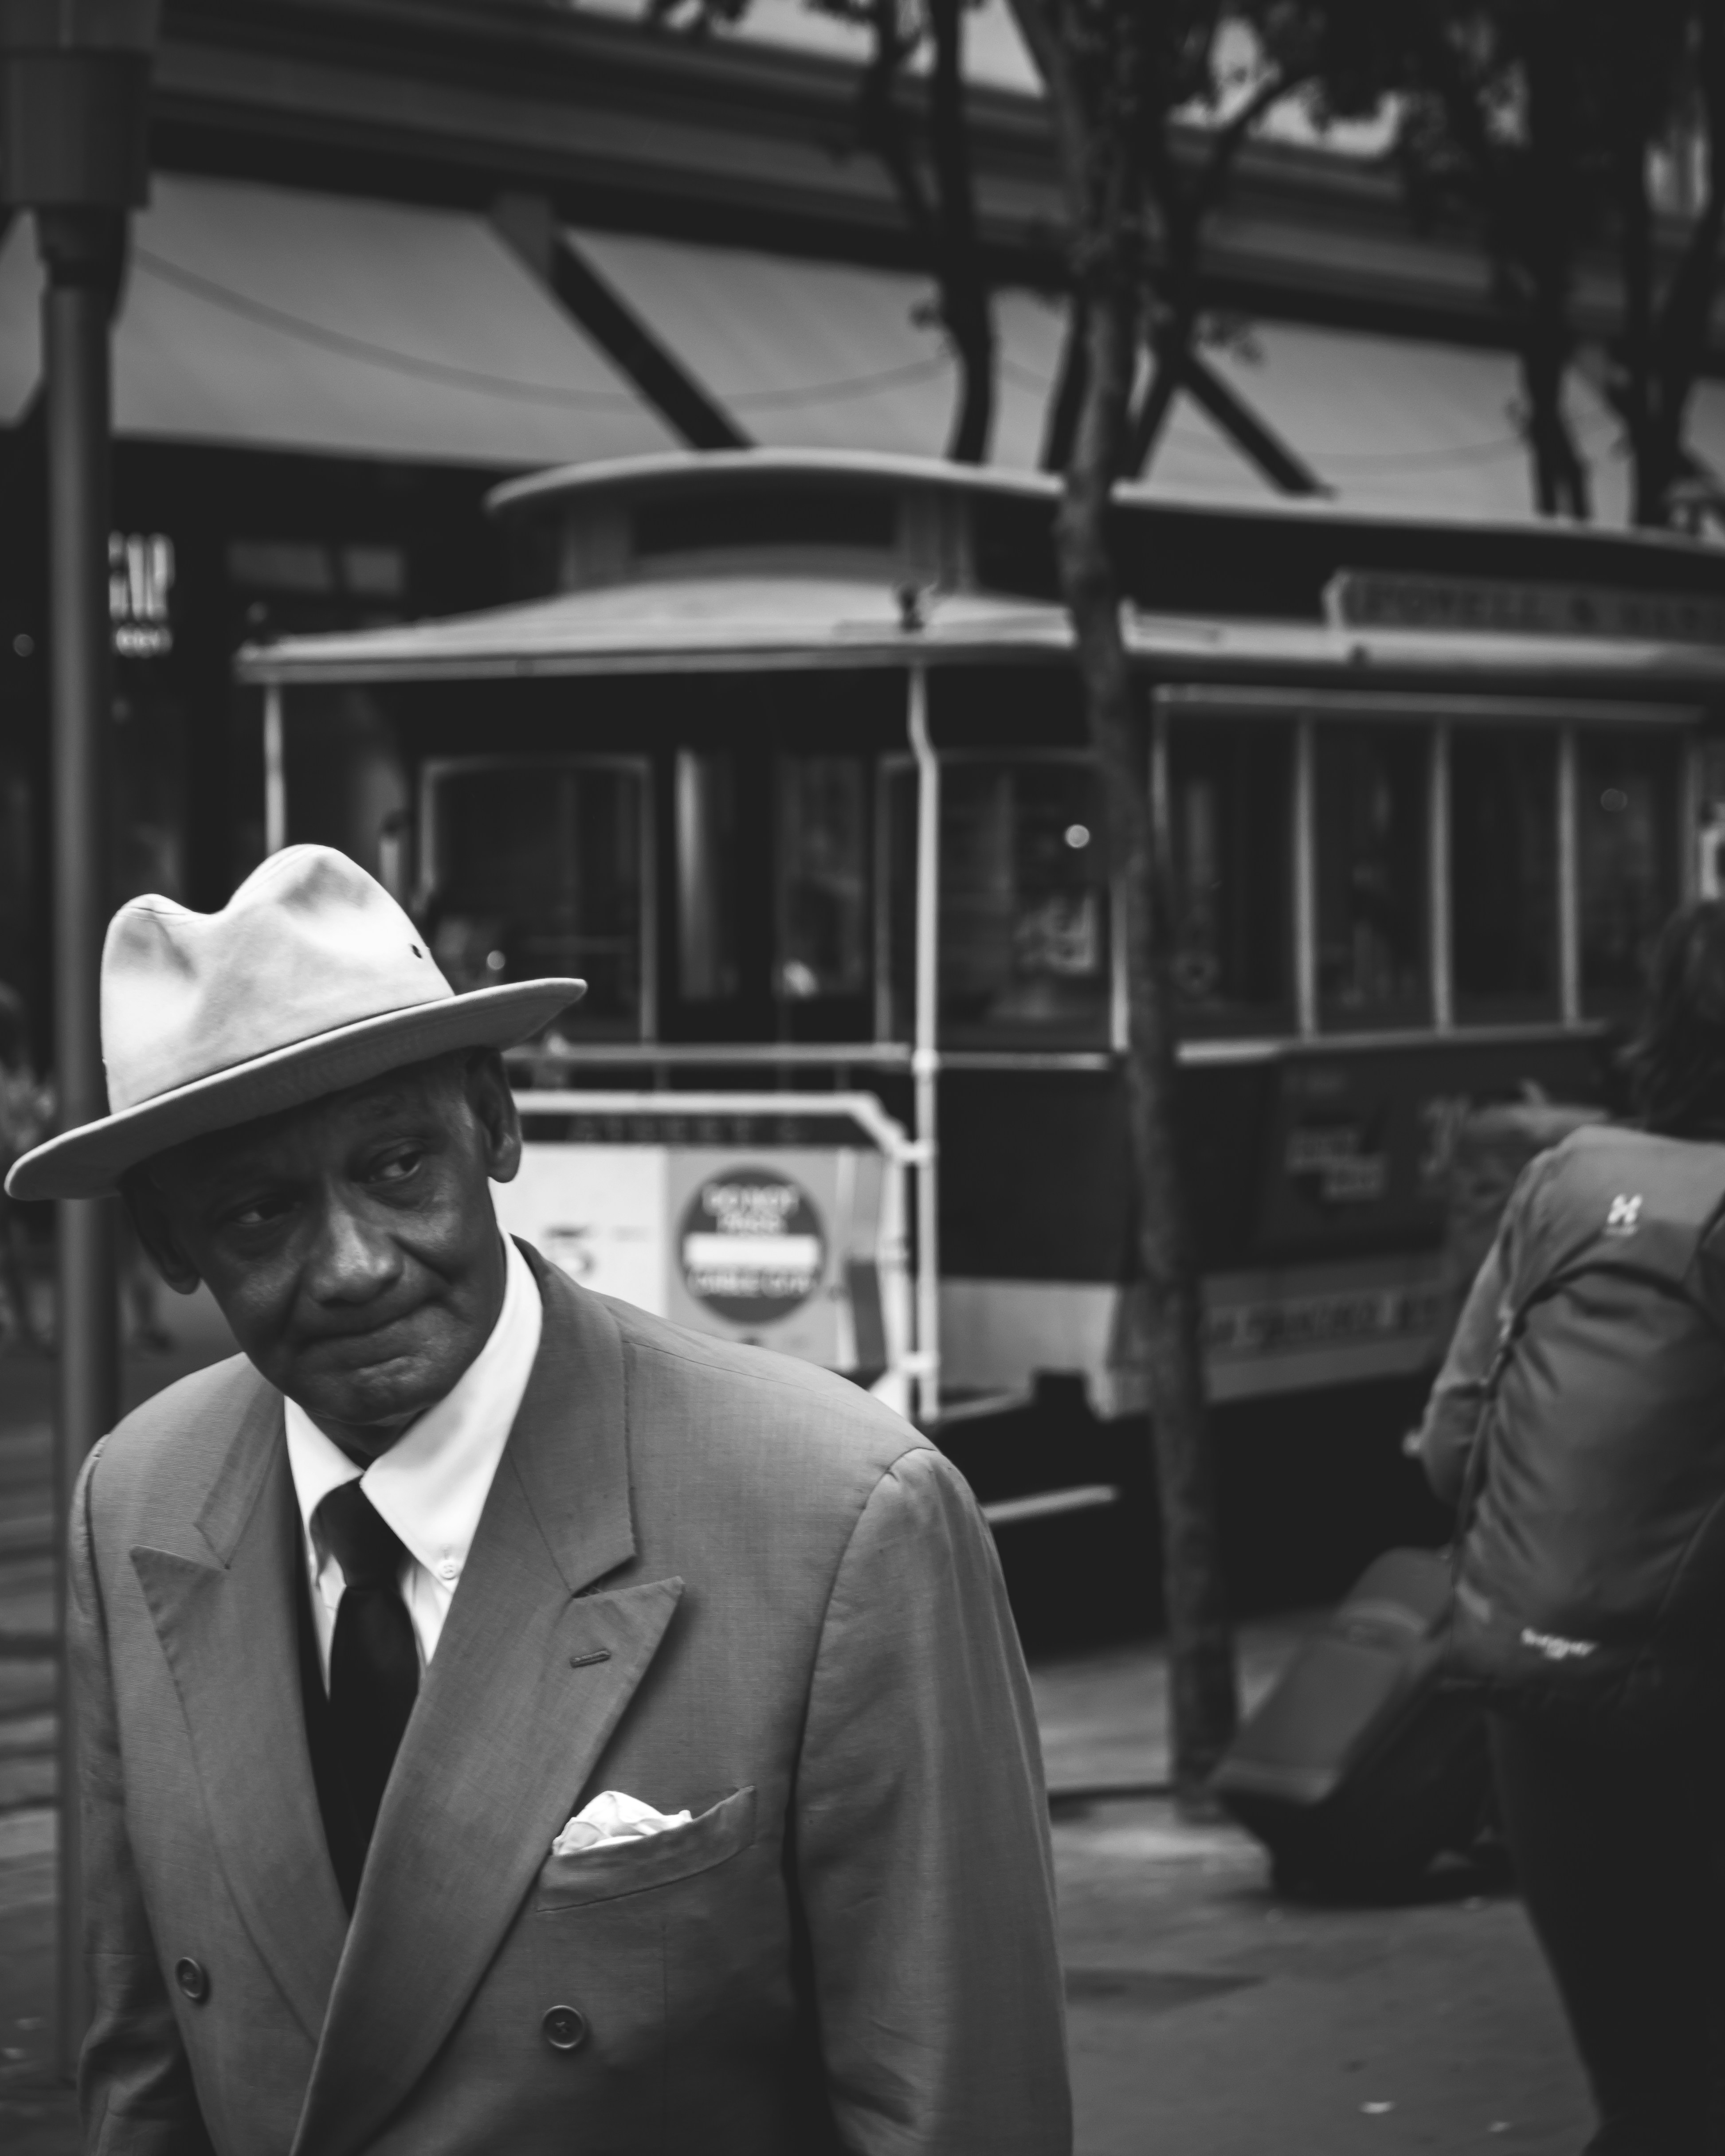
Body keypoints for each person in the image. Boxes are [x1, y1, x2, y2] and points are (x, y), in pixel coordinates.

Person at [10, 845, 1069, 2156]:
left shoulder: (840, 1518)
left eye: (399, 1168)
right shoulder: (139, 1498)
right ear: (171, 1247)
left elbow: (956, 2108)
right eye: (259, 1214)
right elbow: (142, 2075)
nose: (349, 1266)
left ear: (497, 1125)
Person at [1416, 900, 1725, 2155]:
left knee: (1647, 2094)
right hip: (1696, 1686)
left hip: (1531, 1685)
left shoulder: (1568, 1176)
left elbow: (1450, 1447)